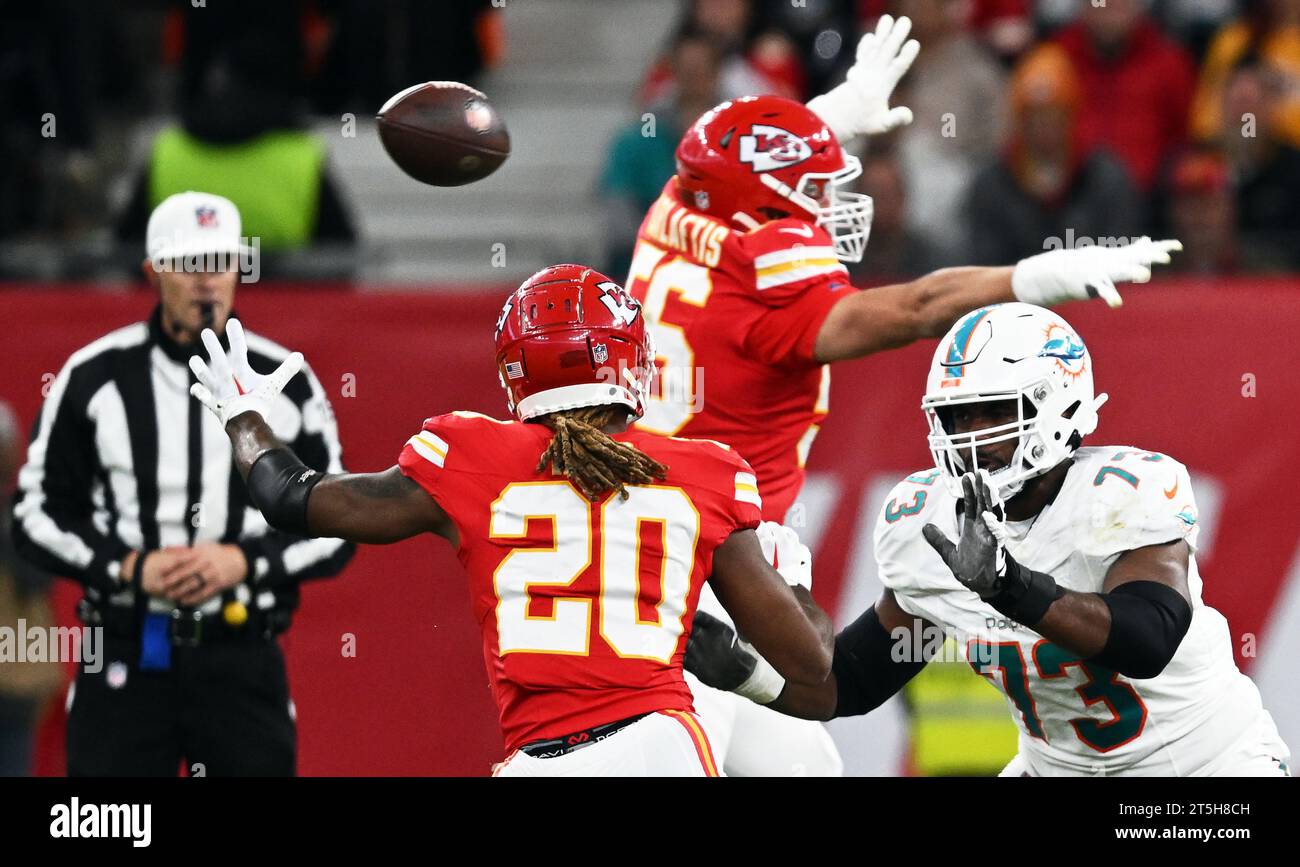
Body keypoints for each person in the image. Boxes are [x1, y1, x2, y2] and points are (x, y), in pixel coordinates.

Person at [625, 14, 1179, 776]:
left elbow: (727, 171)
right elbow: (912, 309)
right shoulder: (767, 298)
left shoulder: (673, 214)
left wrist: (825, 122)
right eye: (810, 191)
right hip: (720, 555)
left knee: (801, 768)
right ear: (761, 211)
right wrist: (1031, 277)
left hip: (665, 536)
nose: (829, 203)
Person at [187, 264, 834, 777]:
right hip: (660, 746)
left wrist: (243, 415)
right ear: (629, 359)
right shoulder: (705, 471)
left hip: (541, 759)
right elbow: (811, 666)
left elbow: (288, 495)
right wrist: (795, 586)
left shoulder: (468, 455)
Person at [687, 302, 1292, 776]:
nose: (970, 437)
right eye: (956, 418)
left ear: (1058, 406)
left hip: (1205, 769)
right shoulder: (925, 522)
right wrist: (746, 675)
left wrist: (1007, 586)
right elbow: (853, 679)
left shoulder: (1124, 489)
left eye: (993, 413)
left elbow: (1147, 638)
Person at [11, 191, 355, 776]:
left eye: (219, 262)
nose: (206, 281)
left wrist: (245, 562)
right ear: (151, 271)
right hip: (124, 645)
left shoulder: (284, 380)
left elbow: (337, 523)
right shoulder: (94, 376)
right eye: (187, 263)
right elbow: (35, 516)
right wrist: (127, 564)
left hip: (241, 650)